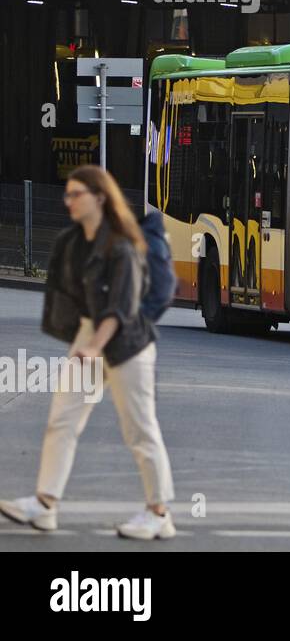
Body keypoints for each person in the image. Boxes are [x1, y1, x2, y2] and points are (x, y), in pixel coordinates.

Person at [0, 166, 177, 540]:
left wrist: (94, 346)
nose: (68, 201)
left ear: (99, 197)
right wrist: (82, 339)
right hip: (88, 334)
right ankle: (45, 505)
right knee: (62, 420)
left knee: (139, 429)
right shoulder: (77, 241)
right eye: (67, 194)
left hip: (127, 341)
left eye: (76, 194)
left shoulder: (123, 246)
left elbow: (122, 307)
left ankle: (158, 513)